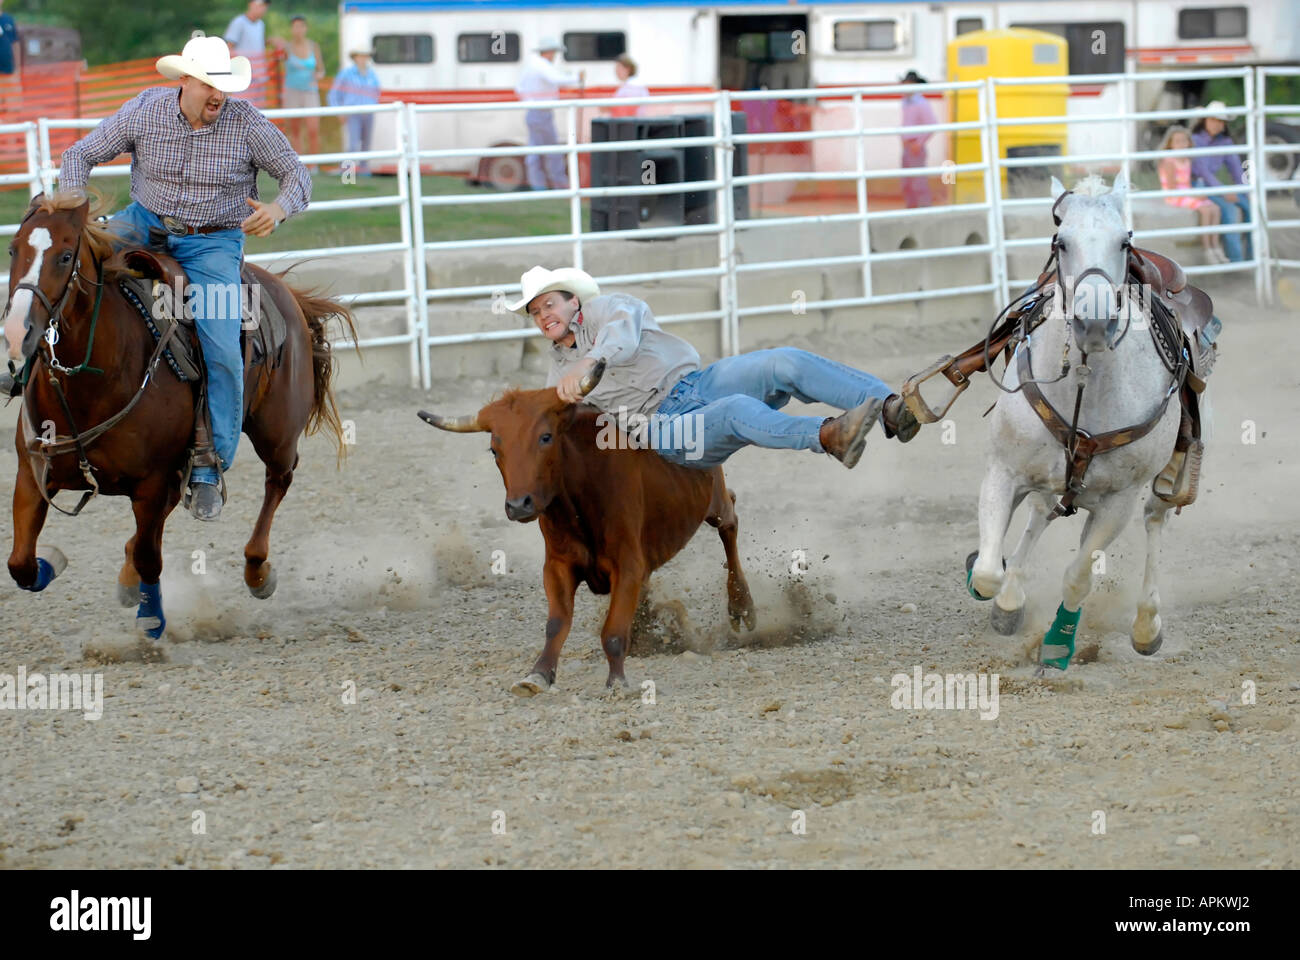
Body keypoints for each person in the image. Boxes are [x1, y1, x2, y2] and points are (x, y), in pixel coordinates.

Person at [57, 35, 311, 521]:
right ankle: (28, 360)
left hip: (212, 242)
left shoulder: (247, 125)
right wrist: (73, 213)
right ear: (187, 81)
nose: (220, 95)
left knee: (220, 343)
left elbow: (297, 176)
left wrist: (278, 209)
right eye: (211, 85)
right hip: (144, 223)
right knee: (69, 268)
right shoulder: (145, 110)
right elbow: (78, 156)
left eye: (225, 88)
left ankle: (209, 464)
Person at [515, 266, 920, 470]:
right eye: (536, 313)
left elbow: (622, 335)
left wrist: (587, 362)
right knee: (736, 410)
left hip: (694, 384)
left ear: (573, 302)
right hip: (657, 429)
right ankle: (828, 436)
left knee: (784, 360)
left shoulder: (608, 310)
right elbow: (556, 423)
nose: (543, 316)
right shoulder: (557, 376)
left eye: (549, 304)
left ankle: (887, 408)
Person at [515, 37, 584, 190]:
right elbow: (556, 78)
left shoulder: (532, 65)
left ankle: (538, 185)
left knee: (534, 151)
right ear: (550, 52)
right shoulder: (542, 66)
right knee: (552, 151)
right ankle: (560, 184)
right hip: (542, 112)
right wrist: (576, 78)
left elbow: (519, 88)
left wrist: (529, 101)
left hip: (534, 112)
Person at [1191, 100, 1251, 262]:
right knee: (1229, 209)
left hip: (1214, 185)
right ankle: (1236, 259)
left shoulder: (1225, 142)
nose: (1217, 124)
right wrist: (1224, 191)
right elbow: (1202, 171)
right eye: (1213, 119)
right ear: (1205, 120)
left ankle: (1251, 256)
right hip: (1198, 185)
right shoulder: (1195, 140)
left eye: (1220, 121)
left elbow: (1236, 169)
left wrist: (1246, 190)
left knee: (1250, 208)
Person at [1159, 124, 1226, 264]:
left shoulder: (1187, 160)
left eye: (1184, 141)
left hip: (1186, 193)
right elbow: (1172, 188)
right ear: (1170, 144)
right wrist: (1194, 196)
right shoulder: (1169, 161)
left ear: (1189, 143)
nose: (1181, 144)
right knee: (1206, 211)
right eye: (1177, 142)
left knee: (1216, 209)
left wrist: (1196, 193)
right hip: (1174, 196)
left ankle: (1216, 247)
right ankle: (1207, 249)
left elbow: (1187, 184)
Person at [327, 48, 381, 175]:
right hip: (353, 113)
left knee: (366, 144)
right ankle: (348, 174)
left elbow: (377, 92)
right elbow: (333, 94)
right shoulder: (346, 73)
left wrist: (375, 105)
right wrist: (339, 111)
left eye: (365, 56)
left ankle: (363, 172)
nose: (363, 59)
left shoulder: (371, 74)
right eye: (360, 56)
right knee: (353, 144)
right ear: (355, 58)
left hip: (369, 112)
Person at [279, 14, 325, 162]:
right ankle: (298, 162)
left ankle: (314, 164)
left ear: (305, 28)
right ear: (292, 29)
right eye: (295, 27)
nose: (298, 30)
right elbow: (278, 61)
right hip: (292, 91)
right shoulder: (286, 48)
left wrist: (318, 75)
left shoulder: (313, 46)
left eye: (301, 26)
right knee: (295, 129)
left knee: (313, 129)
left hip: (310, 91)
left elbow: (321, 69)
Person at [900, 70, 937, 209]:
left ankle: (923, 209)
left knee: (918, 182)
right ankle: (912, 208)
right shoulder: (906, 102)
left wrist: (919, 143)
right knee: (907, 181)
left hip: (915, 145)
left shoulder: (921, 103)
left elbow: (932, 124)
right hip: (907, 145)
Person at [225, 0, 271, 106]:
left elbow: (257, 45)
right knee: (242, 109)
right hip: (243, 78)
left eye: (265, 6)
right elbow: (229, 48)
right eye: (260, 5)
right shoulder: (238, 22)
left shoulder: (261, 24)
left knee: (259, 112)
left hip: (259, 76)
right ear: (250, 4)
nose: (262, 9)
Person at [608, 53, 648, 119]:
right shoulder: (628, 85)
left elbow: (627, 109)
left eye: (619, 68)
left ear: (627, 69)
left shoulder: (634, 86)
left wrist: (609, 107)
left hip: (629, 124)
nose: (616, 71)